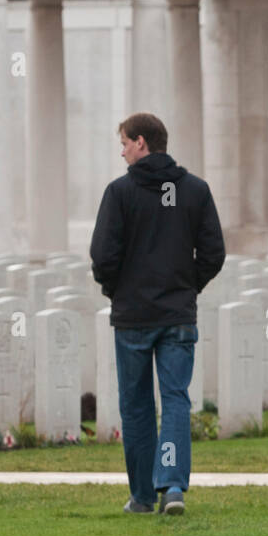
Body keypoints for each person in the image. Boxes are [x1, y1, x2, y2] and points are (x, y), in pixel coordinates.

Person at [90, 112, 225, 515]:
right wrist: (188, 286)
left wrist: (117, 290)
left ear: (143, 142)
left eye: (126, 143)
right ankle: (172, 486)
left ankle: (143, 496)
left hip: (133, 316)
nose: (122, 151)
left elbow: (102, 256)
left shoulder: (119, 193)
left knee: (135, 406)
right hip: (177, 315)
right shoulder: (196, 191)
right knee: (175, 399)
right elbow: (214, 253)